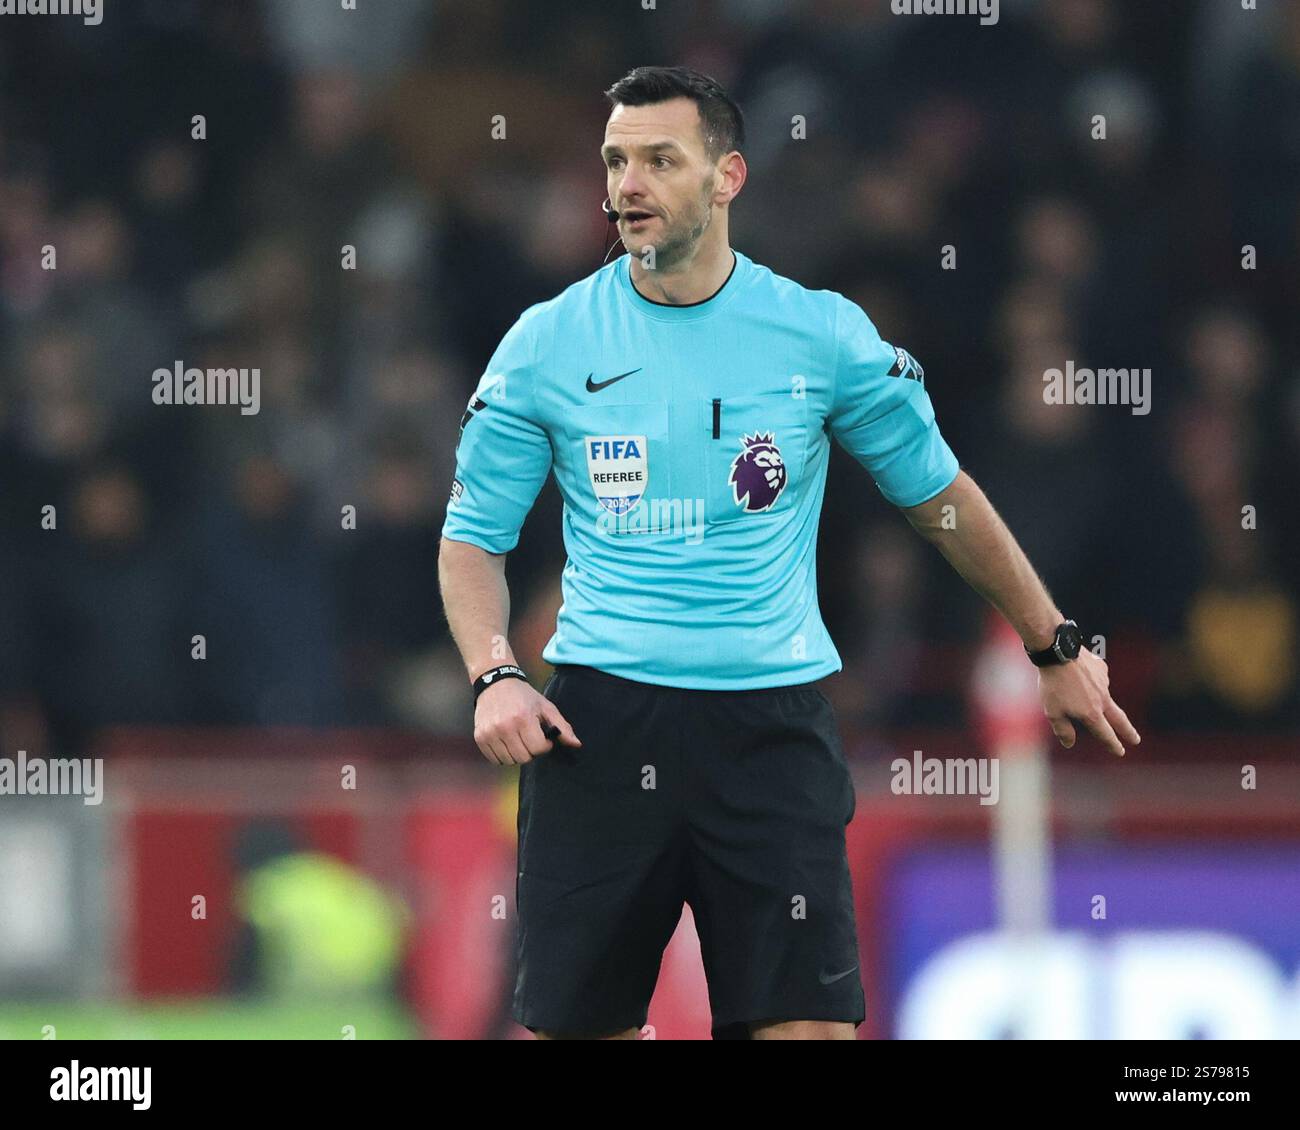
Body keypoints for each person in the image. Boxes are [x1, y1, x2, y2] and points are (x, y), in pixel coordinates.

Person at [438, 66, 1139, 1041]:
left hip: (767, 733)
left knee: (807, 1030)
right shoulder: (546, 342)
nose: (627, 184)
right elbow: (473, 536)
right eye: (614, 161)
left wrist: (1050, 644)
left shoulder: (817, 333)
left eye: (658, 160)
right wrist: (494, 673)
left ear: (727, 176)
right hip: (597, 725)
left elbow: (938, 499)